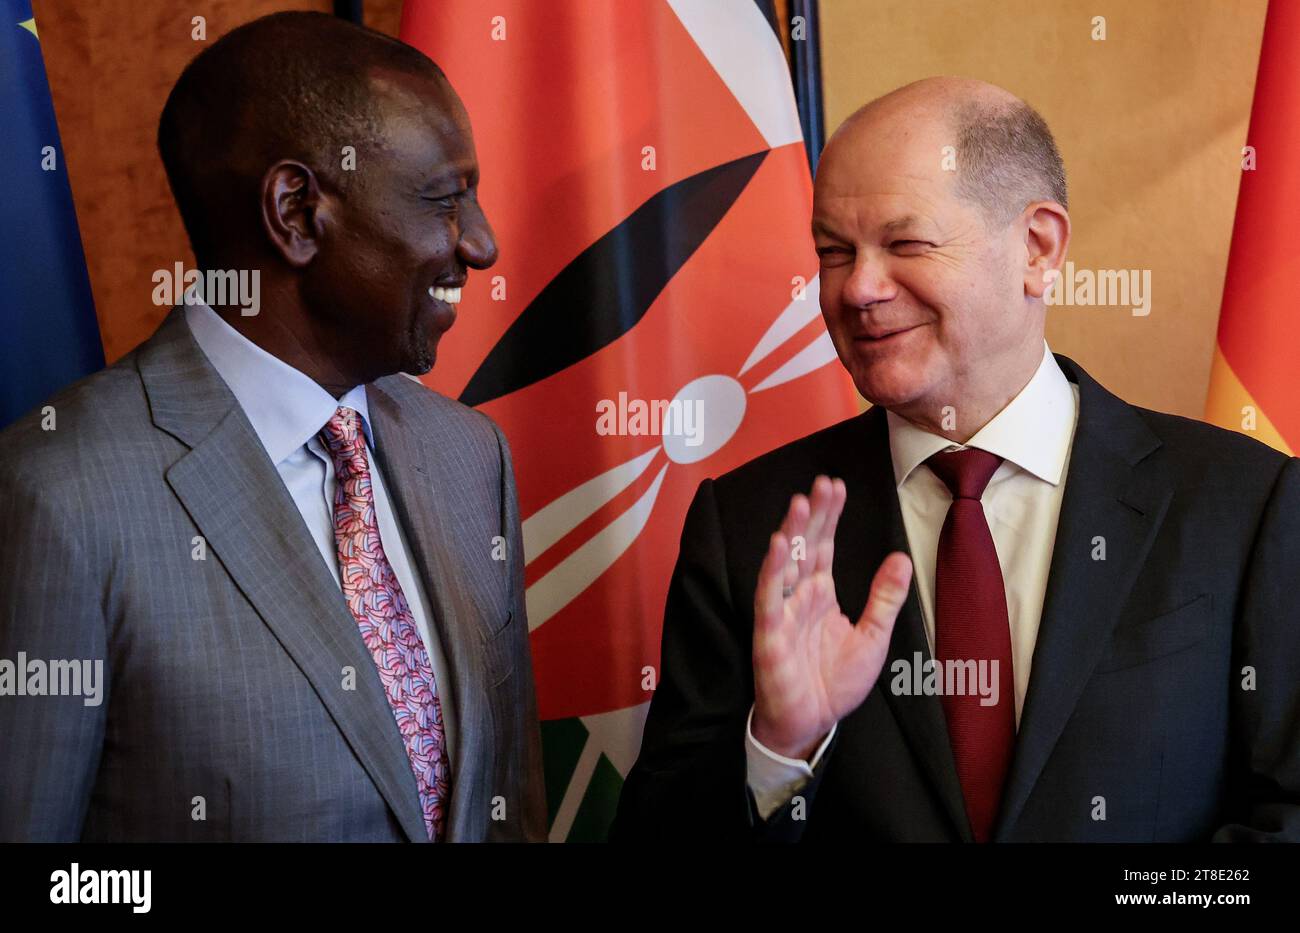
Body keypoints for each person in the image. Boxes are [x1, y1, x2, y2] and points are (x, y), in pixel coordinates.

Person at [614, 77, 1300, 842]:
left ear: (1038, 248)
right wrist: (779, 748)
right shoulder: (749, 527)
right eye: (835, 253)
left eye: (906, 243)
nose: (860, 289)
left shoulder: (1243, 503)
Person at [0, 11, 544, 842]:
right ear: (296, 212)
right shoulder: (60, 494)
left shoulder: (471, 455)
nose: (481, 244)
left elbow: (507, 807)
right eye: (444, 199)